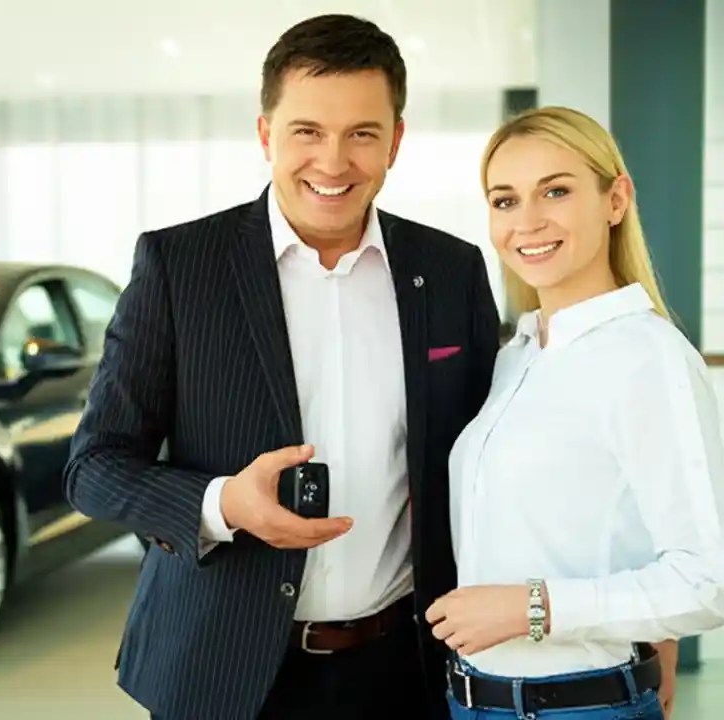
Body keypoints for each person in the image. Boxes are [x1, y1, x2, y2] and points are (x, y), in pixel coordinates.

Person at [63, 13, 501, 720]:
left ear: (396, 140)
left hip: (404, 671)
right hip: (219, 671)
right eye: (307, 132)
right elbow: (93, 467)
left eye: (362, 133)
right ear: (266, 135)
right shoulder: (180, 268)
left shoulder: (450, 271)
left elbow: (490, 459)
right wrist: (222, 505)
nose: (333, 163)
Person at [425, 105, 724, 719]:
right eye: (504, 200)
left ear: (616, 199)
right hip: (474, 701)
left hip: (576, 708)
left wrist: (530, 608)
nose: (527, 222)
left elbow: (708, 580)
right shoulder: (519, 355)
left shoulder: (649, 356)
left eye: (555, 192)